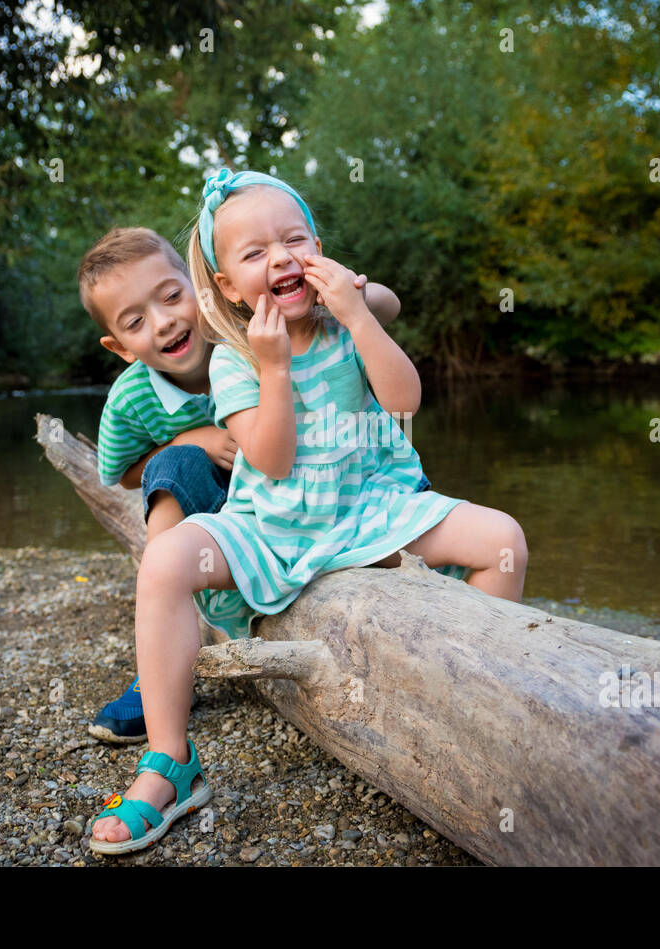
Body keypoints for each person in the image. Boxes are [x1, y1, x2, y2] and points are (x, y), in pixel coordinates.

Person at [88, 170, 527, 854]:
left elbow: (406, 402)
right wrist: (273, 368)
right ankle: (170, 763)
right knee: (168, 561)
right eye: (254, 253)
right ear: (228, 287)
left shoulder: (348, 325)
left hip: (367, 510)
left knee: (503, 539)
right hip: (274, 528)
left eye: (294, 240)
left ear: (320, 250)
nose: (281, 258)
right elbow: (271, 459)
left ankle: (477, 705)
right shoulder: (236, 358)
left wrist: (358, 314)